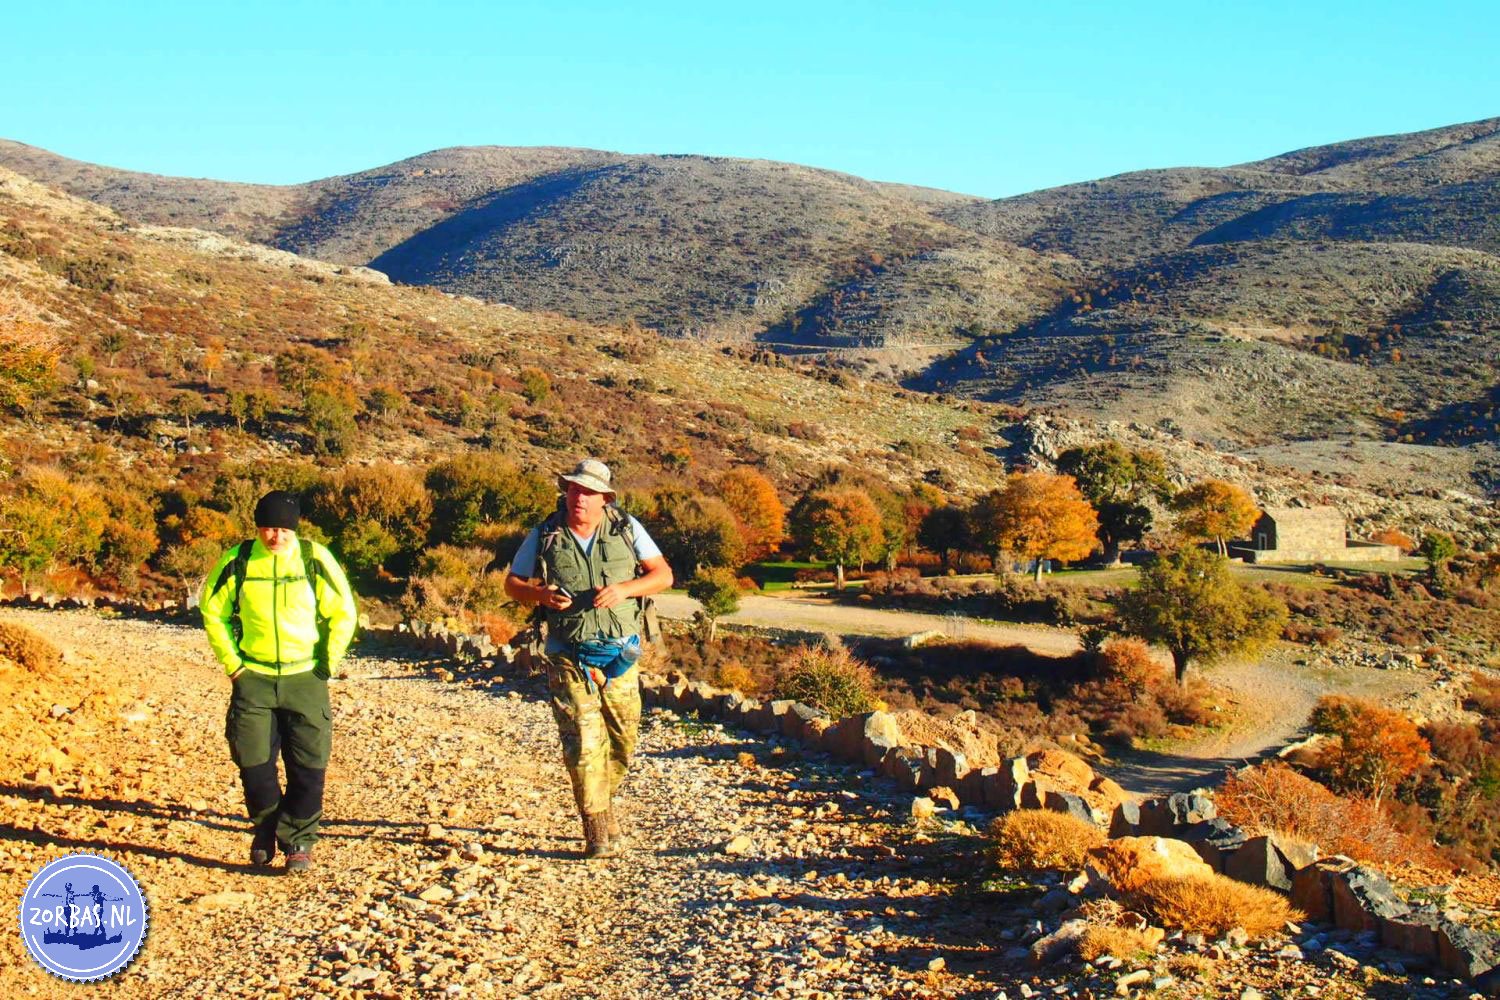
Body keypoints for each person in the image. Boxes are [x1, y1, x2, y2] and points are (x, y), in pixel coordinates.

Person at [504, 459, 673, 859]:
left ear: (604, 498)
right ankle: (595, 826)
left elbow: (663, 575)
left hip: (622, 651)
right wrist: (542, 596)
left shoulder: (626, 528)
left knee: (622, 742)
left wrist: (627, 589)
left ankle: (603, 801)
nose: (578, 498)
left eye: (587, 492)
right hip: (568, 654)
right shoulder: (545, 532)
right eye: (573, 490)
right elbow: (513, 584)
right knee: (582, 744)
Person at [200, 490, 357, 874]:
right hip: (253, 677)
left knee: (308, 767)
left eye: (284, 530)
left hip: (305, 676)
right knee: (254, 765)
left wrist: (327, 664)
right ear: (258, 528)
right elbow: (212, 610)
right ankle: (266, 828)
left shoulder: (313, 558)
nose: (276, 538)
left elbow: (344, 613)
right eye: (268, 529)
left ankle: (299, 840)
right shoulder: (238, 560)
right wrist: (233, 664)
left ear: (295, 529)